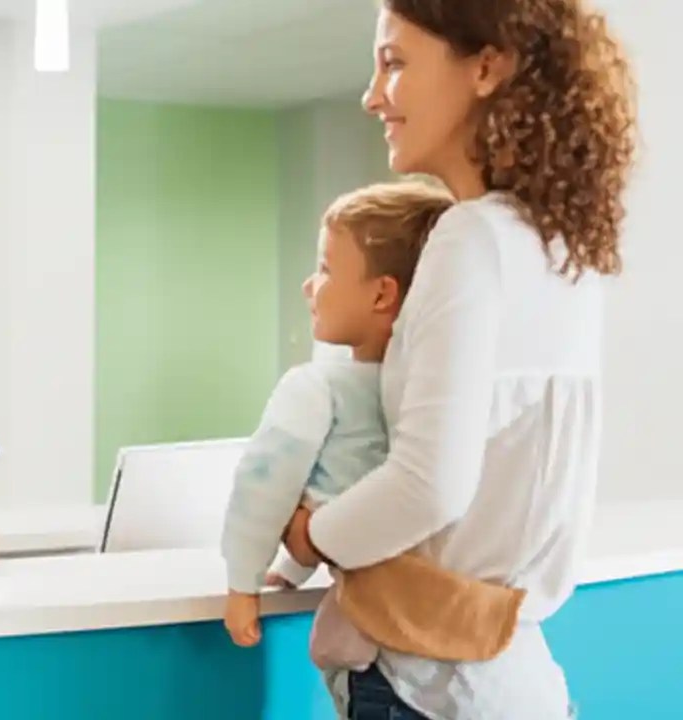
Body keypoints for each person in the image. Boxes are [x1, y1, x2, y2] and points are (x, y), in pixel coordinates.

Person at [279, 1, 637, 718]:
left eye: (395, 62)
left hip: (427, 687)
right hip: (518, 682)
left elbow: (428, 486)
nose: (372, 94)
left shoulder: (470, 241)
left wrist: (311, 534)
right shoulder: (563, 249)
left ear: (486, 66)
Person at [222, 182, 522, 697]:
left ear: (383, 293)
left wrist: (242, 582)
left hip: (378, 642)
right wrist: (293, 568)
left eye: (325, 269)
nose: (307, 286)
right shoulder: (436, 395)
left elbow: (263, 485)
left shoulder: (317, 387)